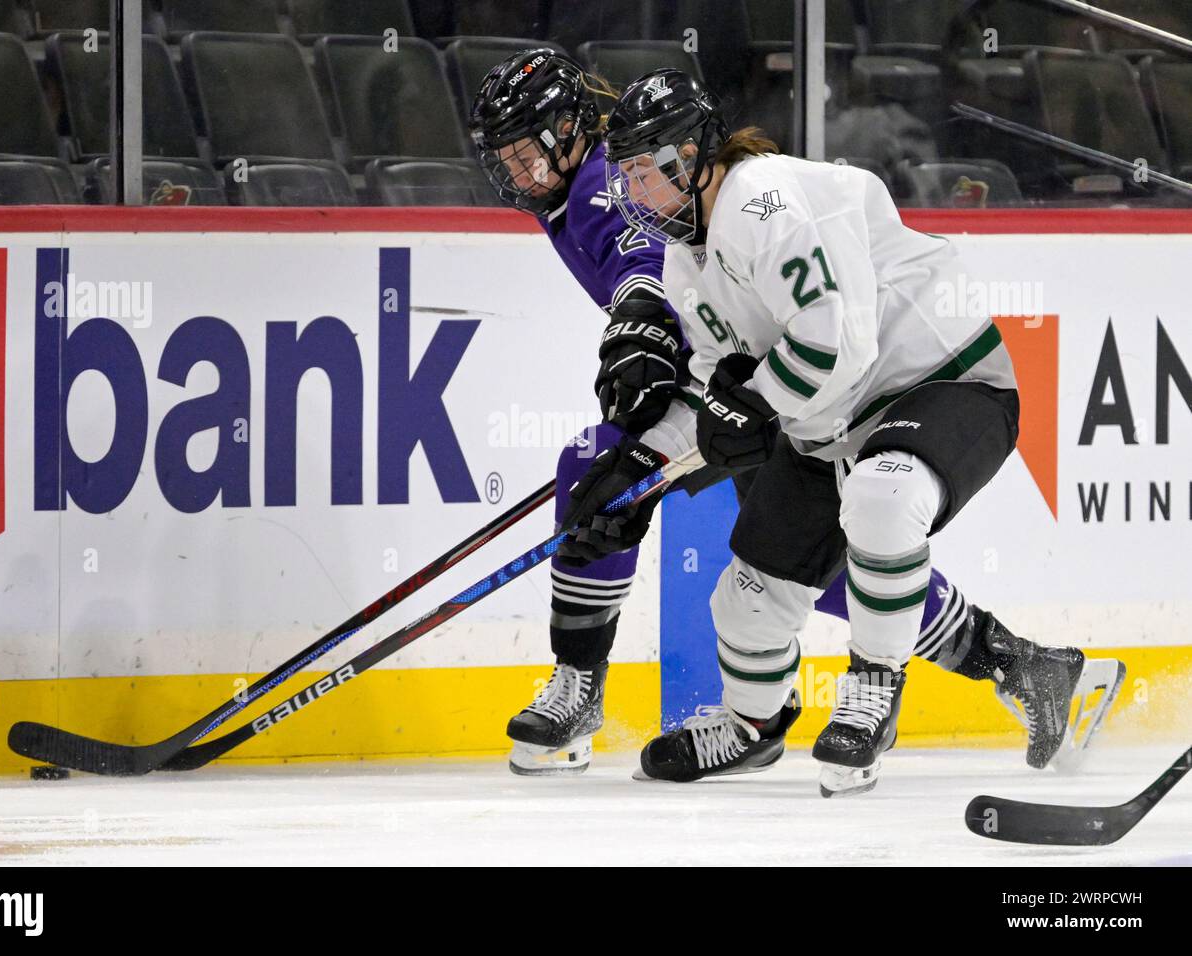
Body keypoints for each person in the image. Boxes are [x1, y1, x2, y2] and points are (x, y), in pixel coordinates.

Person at [468, 51, 1120, 785]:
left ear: (694, 159)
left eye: (648, 174)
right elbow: (715, 377)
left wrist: (718, 383)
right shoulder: (688, 252)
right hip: (822, 412)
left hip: (926, 381)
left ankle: (875, 689)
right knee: (758, 587)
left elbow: (829, 337)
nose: (636, 195)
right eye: (632, 178)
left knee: (877, 509)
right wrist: (645, 466)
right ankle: (776, 718)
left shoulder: (758, 200)